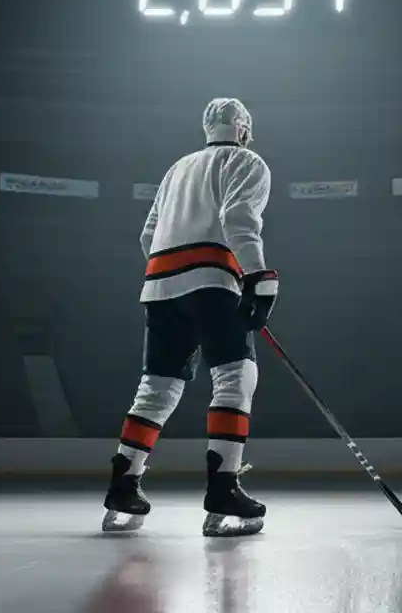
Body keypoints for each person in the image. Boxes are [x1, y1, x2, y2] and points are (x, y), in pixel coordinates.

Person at [102, 98, 279, 537]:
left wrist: (175, 276)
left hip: (160, 288)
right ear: (241, 127)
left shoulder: (177, 168)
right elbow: (238, 217)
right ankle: (223, 489)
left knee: (157, 389)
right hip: (211, 283)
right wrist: (257, 278)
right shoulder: (247, 161)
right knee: (237, 378)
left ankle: (122, 487)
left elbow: (149, 233)